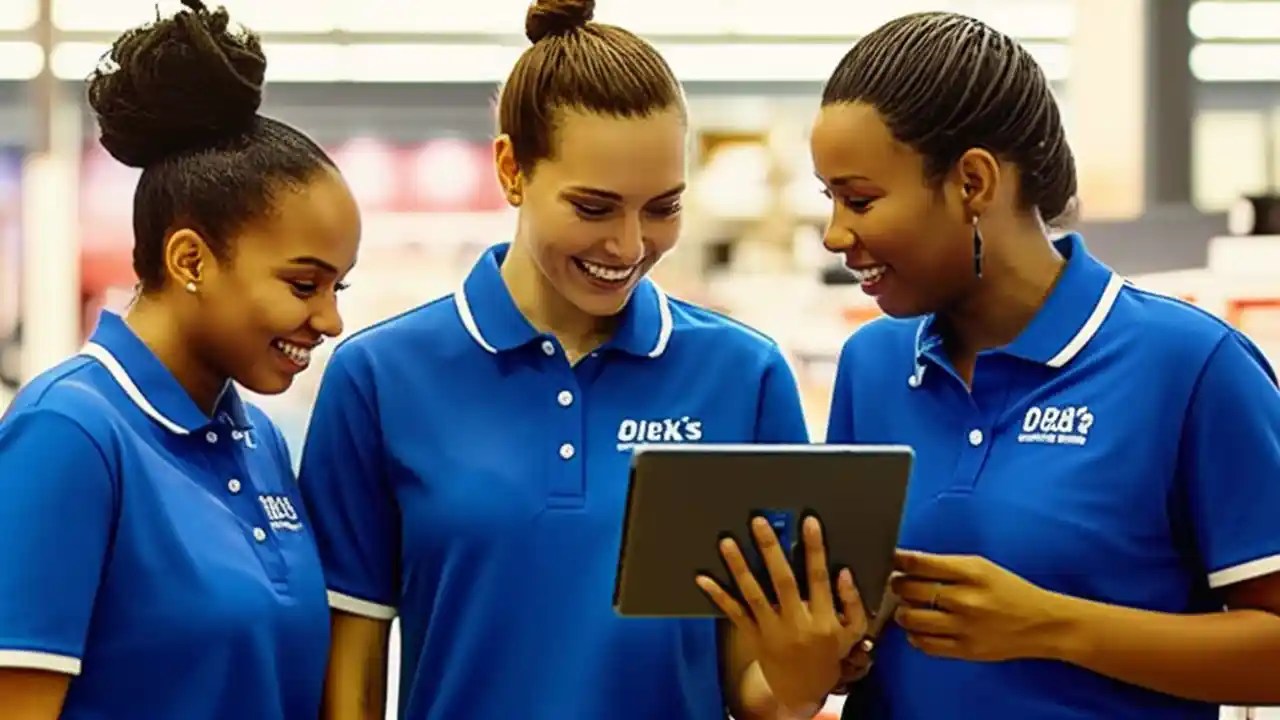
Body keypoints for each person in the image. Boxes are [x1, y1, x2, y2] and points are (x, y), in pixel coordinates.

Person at [299, 1, 865, 718]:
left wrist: (803, 670)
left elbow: (751, 692)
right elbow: (350, 670)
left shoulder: (742, 378)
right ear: (511, 170)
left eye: (662, 208)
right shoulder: (379, 379)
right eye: (595, 208)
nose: (630, 247)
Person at [794, 11, 1280, 720]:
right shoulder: (872, 366)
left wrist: (1053, 626)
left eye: (860, 199)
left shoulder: (1190, 367)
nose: (838, 234)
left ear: (973, 182)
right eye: (829, 200)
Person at [0, 1, 361, 718]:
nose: (329, 320)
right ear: (190, 258)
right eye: (302, 284)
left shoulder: (260, 442)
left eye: (337, 287)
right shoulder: (68, 433)